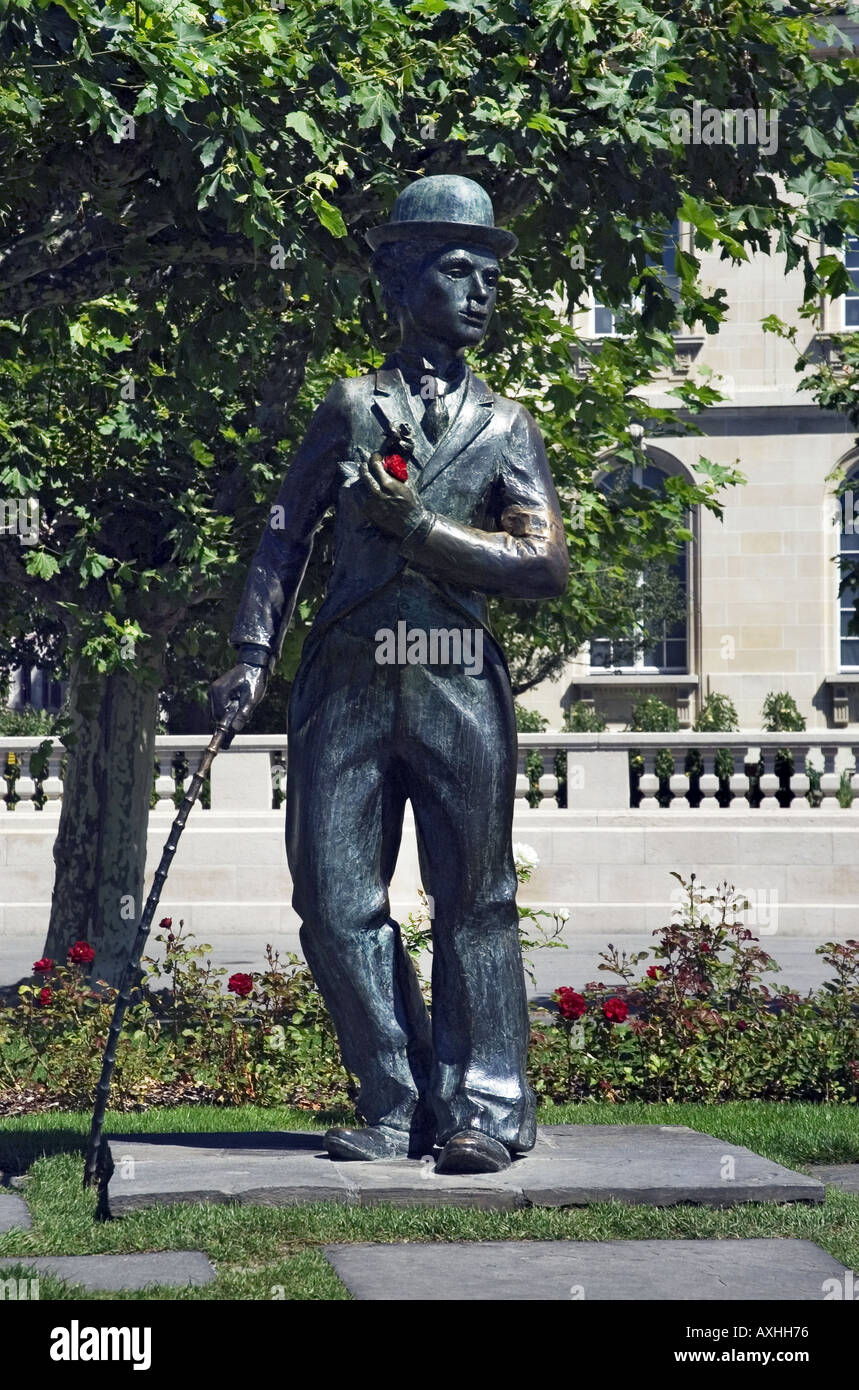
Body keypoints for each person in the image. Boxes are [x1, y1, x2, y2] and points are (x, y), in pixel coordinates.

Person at [209, 175, 569, 1174]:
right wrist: (248, 656)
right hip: (349, 680)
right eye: (458, 269)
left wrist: (422, 530)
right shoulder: (349, 407)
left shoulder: (507, 428)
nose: (482, 290)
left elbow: (542, 566)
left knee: (476, 899)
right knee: (332, 899)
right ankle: (394, 1094)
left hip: (455, 676)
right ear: (402, 278)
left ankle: (484, 1110)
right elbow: (283, 533)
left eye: (490, 273)